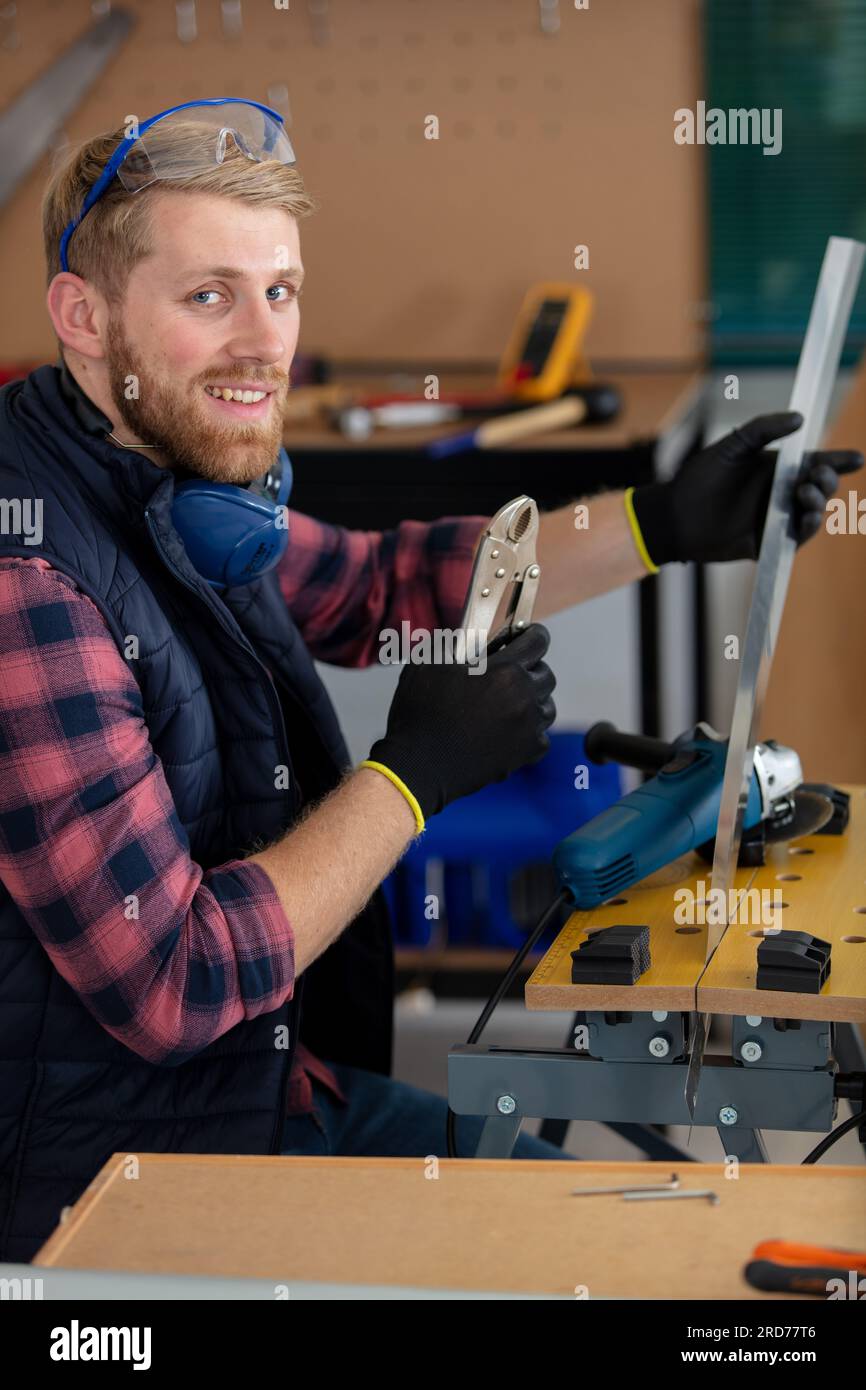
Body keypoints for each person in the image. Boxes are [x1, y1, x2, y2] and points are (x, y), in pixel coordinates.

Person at [0, 100, 859, 1262]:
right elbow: (175, 979)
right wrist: (409, 781)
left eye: (281, 290)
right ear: (84, 317)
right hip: (107, 1189)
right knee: (615, 1265)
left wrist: (659, 523)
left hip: (263, 1093)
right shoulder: (29, 584)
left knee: (655, 1248)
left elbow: (379, 583)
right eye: (208, 296)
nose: (264, 341)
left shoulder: (171, 478)